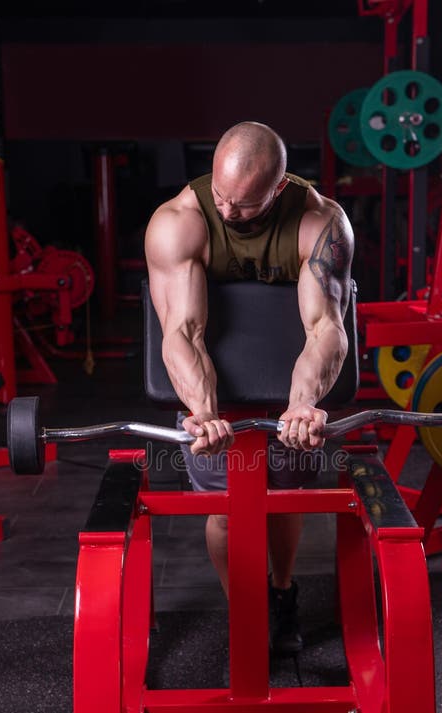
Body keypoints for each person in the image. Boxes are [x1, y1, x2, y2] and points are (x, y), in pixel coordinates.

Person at [144, 121, 354, 655]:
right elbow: (182, 332)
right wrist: (202, 413)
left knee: (284, 500)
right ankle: (247, 605)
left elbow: (325, 328)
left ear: (278, 188)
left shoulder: (320, 223)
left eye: (245, 204)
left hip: (289, 392)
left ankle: (282, 592)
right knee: (226, 510)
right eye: (221, 197)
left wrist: (304, 405)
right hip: (214, 390)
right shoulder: (178, 222)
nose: (230, 213)